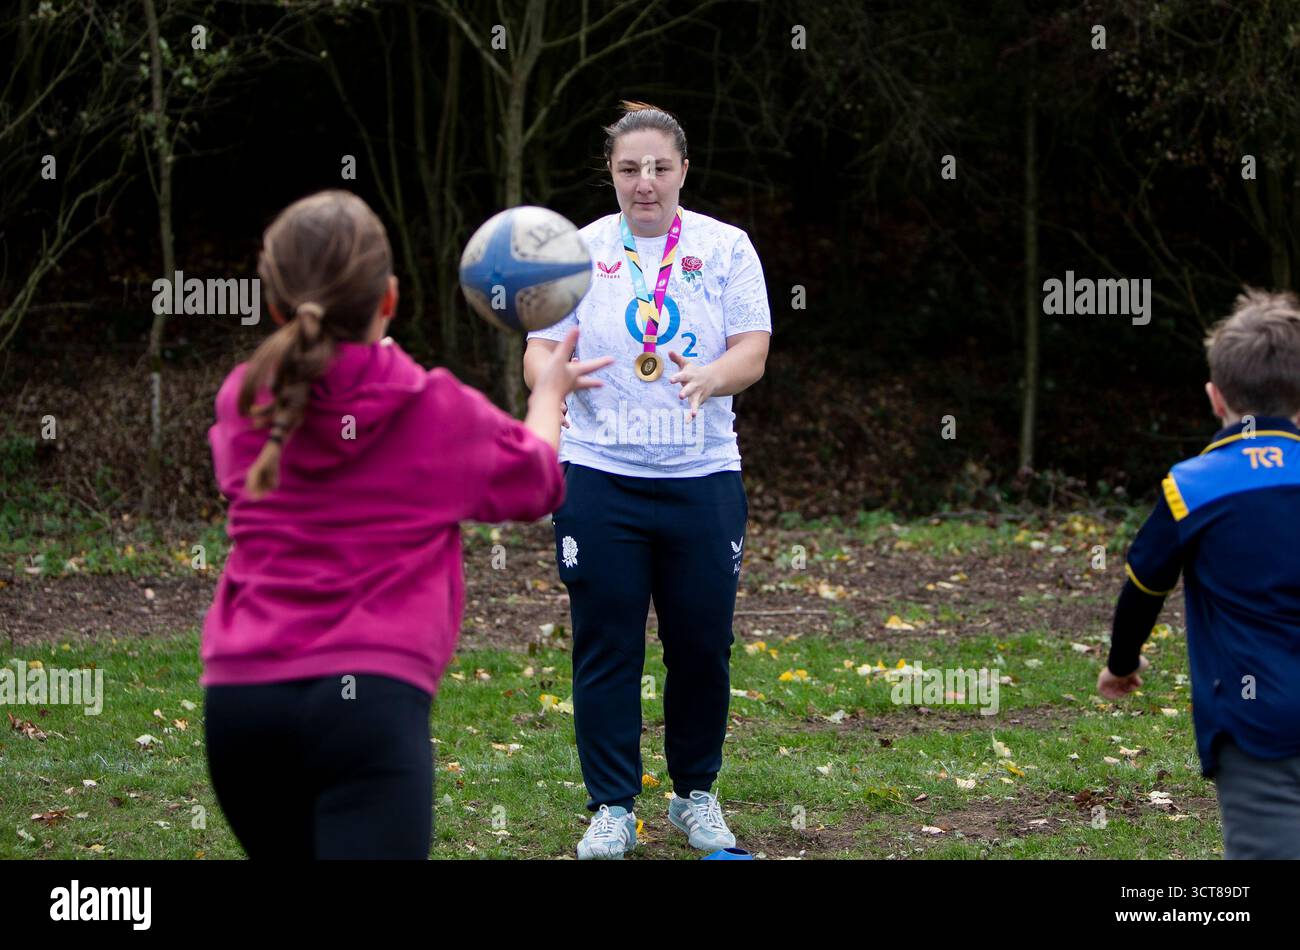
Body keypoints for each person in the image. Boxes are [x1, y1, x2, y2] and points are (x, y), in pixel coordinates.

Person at [202, 189, 611, 859]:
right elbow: (539, 481)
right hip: (366, 709)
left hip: (242, 706)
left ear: (276, 305)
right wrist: (549, 395)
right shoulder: (435, 409)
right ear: (389, 298)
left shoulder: (245, 396)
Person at [523, 101, 772, 859]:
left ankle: (696, 795)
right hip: (600, 476)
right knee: (607, 644)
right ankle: (611, 807)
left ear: (684, 171)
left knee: (702, 645)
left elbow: (752, 351)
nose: (645, 183)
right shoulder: (575, 251)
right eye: (630, 168)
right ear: (611, 172)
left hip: (702, 477)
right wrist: (553, 377)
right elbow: (538, 356)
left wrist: (711, 376)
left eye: (660, 167)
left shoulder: (726, 248)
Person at [1099, 288, 1300, 859]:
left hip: (1256, 723)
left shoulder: (1192, 486)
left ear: (1215, 398)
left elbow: (1143, 586)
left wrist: (1121, 664)